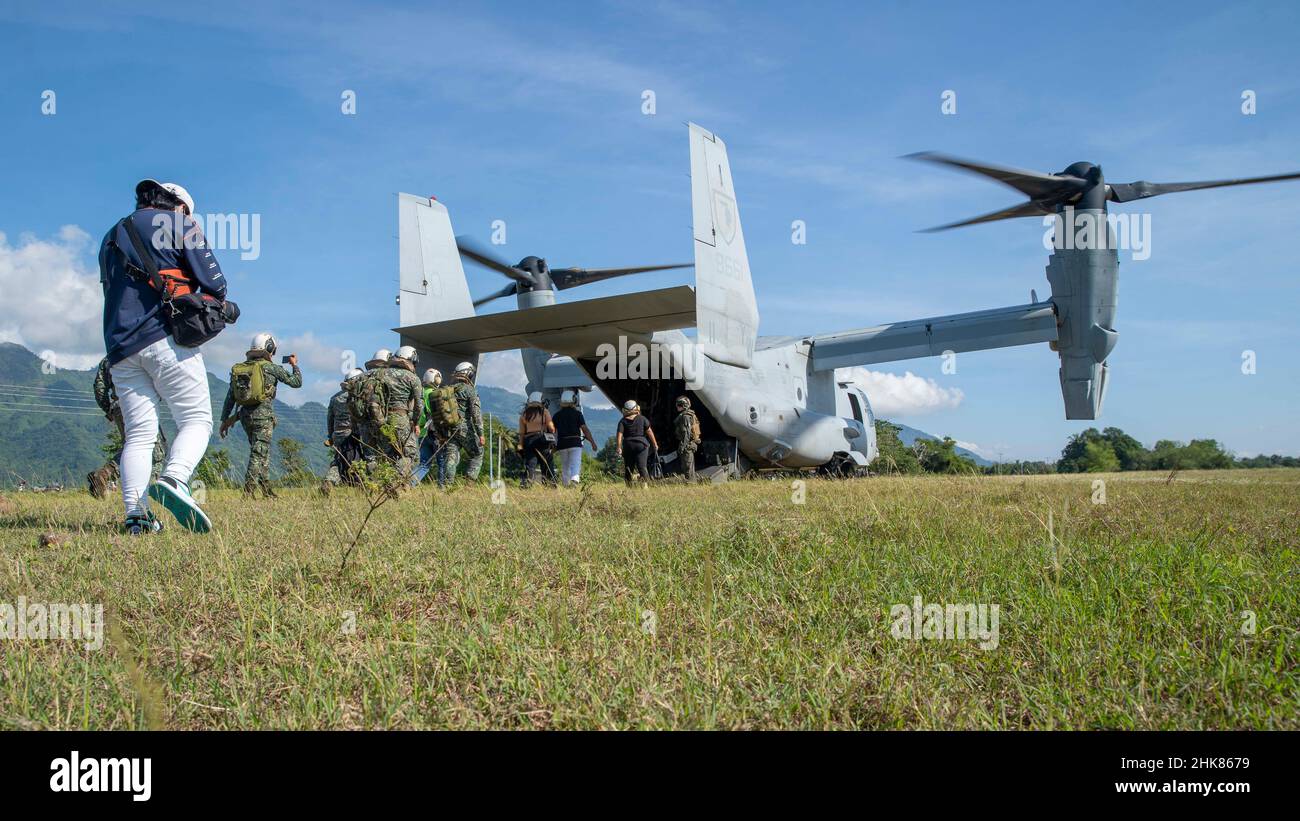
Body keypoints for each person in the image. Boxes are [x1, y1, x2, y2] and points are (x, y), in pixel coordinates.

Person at [99, 179, 226, 534]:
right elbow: (217, 285)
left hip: (120, 347)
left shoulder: (109, 237)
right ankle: (175, 479)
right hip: (165, 339)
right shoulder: (179, 224)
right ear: (180, 206)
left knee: (139, 435)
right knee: (196, 420)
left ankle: (136, 518)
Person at [219, 333, 302, 498]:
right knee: (258, 454)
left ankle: (266, 491)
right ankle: (248, 493)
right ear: (269, 348)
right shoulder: (271, 368)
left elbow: (230, 398)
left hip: (244, 417)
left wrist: (224, 420)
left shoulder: (241, 368)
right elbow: (296, 382)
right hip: (263, 418)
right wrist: (294, 365)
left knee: (261, 452)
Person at [87, 356, 166, 498]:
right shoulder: (143, 352)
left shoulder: (109, 359)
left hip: (119, 406)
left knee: (132, 445)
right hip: (142, 404)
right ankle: (150, 490)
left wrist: (109, 409)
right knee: (155, 449)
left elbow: (99, 387)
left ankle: (105, 474)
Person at [434, 361, 484, 488]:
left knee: (451, 457)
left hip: (448, 429)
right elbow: (476, 414)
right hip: (464, 429)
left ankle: (446, 486)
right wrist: (481, 434)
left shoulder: (447, 389)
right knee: (478, 453)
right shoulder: (470, 390)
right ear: (469, 374)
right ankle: (469, 484)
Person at [379, 346, 423, 477]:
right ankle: (396, 480)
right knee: (411, 454)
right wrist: (415, 422)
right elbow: (419, 405)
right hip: (401, 418)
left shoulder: (381, 373)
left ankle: (381, 482)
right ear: (411, 359)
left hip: (380, 418)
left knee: (385, 453)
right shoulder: (412, 378)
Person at [323, 368, 364, 492]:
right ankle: (360, 485)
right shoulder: (358, 397)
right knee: (357, 459)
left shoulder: (335, 398)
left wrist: (331, 436)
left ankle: (329, 480)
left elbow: (330, 419)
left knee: (339, 459)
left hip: (338, 433)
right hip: (353, 433)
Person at [352, 349, 391, 472]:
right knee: (387, 454)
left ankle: (370, 483)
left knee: (370, 457)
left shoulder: (360, 377)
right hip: (382, 420)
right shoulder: (388, 375)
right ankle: (386, 482)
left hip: (363, 422)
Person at [552, 390, 596, 487]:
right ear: (574, 400)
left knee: (565, 466)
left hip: (562, 444)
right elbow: (585, 429)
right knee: (575, 463)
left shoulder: (556, 415)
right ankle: (574, 480)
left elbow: (553, 431)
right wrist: (592, 442)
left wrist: (553, 445)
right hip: (575, 443)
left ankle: (565, 485)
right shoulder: (578, 414)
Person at [615, 399, 659, 488]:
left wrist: (619, 447)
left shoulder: (622, 421)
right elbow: (649, 432)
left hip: (628, 445)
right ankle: (644, 486)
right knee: (642, 466)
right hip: (641, 445)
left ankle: (629, 486)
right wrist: (655, 444)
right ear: (636, 408)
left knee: (628, 467)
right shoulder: (642, 418)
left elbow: (620, 435)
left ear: (625, 410)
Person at [517, 392, 557, 488]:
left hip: (529, 442)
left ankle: (527, 484)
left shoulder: (524, 414)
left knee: (530, 465)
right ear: (541, 400)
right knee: (547, 463)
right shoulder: (545, 412)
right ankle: (550, 484)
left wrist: (520, 447)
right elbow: (551, 428)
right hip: (542, 440)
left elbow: (522, 434)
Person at [411, 368, 443, 485]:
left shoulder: (419, 392)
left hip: (422, 433)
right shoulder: (434, 394)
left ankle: (409, 484)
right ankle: (443, 489)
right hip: (434, 433)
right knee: (442, 461)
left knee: (424, 464)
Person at [672, 395, 701, 482]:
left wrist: (682, 446)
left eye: (679, 405)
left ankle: (691, 483)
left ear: (683, 405)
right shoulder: (689, 415)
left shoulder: (685, 417)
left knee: (687, 466)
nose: (677, 407)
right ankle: (690, 481)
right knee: (688, 466)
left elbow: (686, 433)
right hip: (689, 443)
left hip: (688, 444)